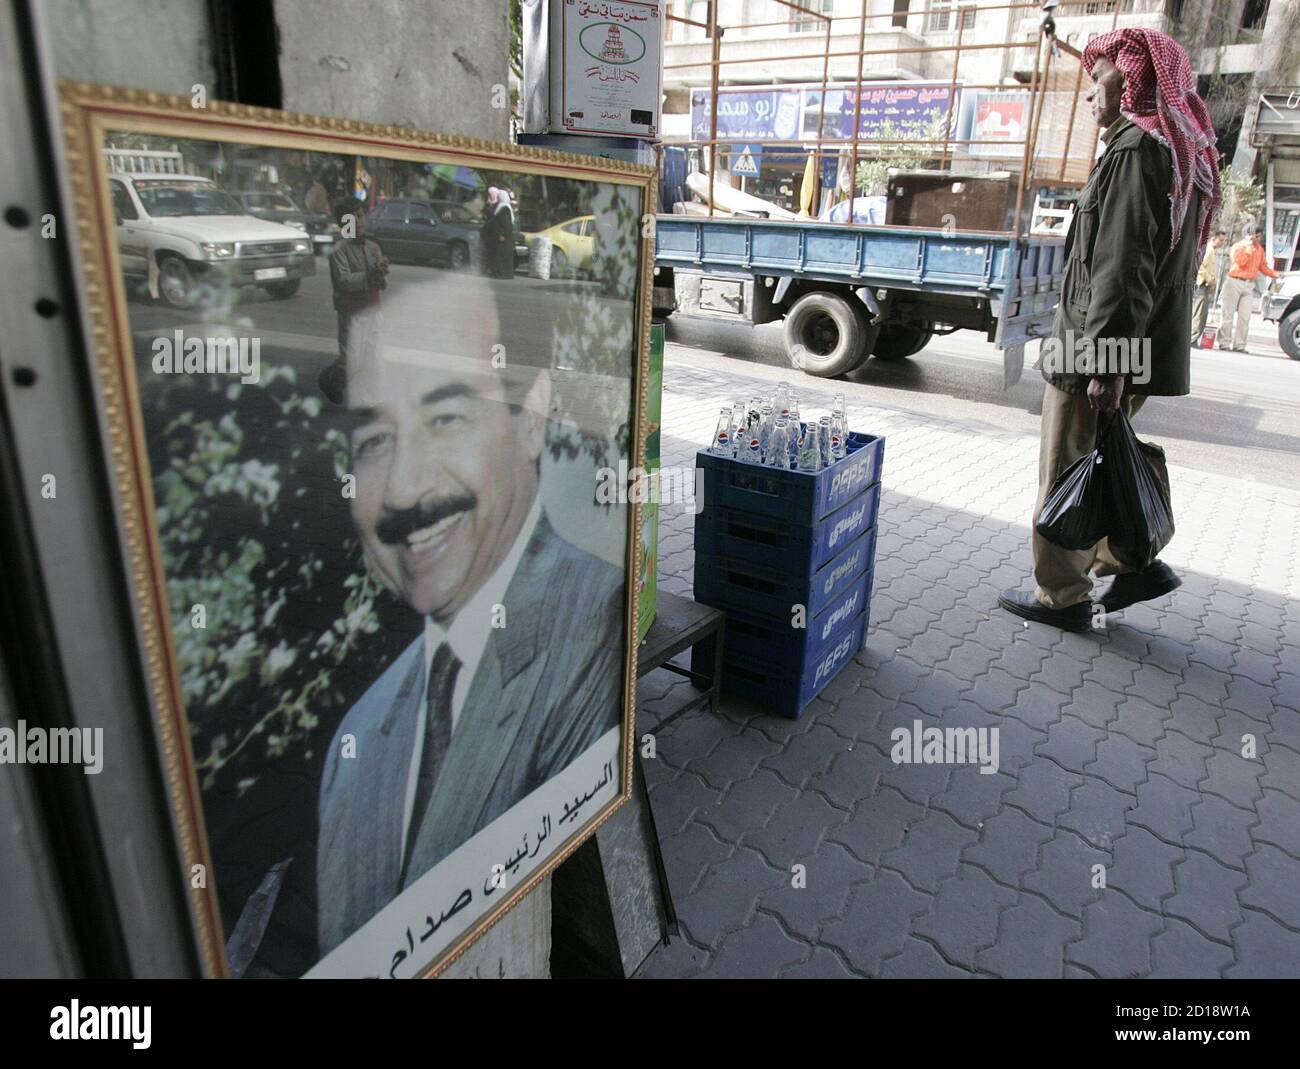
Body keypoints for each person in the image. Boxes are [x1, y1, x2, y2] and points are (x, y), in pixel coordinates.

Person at [315, 275, 624, 956]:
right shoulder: (357, 741)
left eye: (445, 417)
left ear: (532, 418)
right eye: (373, 441)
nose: (401, 488)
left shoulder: (598, 624)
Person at [998, 27, 1220, 631]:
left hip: (1100, 349)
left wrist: (1106, 366)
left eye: (1099, 83)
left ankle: (1064, 596)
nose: (1090, 97)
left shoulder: (1134, 150)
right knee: (1105, 460)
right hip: (1135, 346)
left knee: (1068, 466)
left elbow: (1122, 267)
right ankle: (1127, 558)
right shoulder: (1182, 151)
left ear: (1133, 83)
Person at [318, 196, 388, 405]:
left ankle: (369, 400)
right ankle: (329, 381)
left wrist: (381, 272)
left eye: (360, 216)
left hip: (373, 308)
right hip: (351, 310)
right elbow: (344, 281)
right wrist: (370, 274)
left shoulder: (373, 247)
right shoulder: (339, 249)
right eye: (352, 218)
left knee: (373, 357)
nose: (358, 221)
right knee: (351, 360)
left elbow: (379, 281)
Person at [1217, 223, 1278, 353]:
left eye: (1260, 236)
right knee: (1227, 314)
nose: (1259, 238)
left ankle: (1239, 345)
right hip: (1234, 281)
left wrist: (1275, 274)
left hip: (1249, 284)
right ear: (1249, 236)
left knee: (1245, 317)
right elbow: (1240, 262)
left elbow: (1263, 266)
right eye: (1257, 236)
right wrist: (1249, 248)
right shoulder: (1238, 247)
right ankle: (1224, 342)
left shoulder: (1260, 249)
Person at [1191, 230, 1226, 344]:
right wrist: (1209, 279)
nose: (1222, 243)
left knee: (1202, 313)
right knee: (1199, 314)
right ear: (1213, 239)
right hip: (1202, 284)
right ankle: (1192, 338)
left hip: (1206, 286)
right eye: (1221, 240)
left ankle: (1194, 338)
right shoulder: (1208, 250)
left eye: (1224, 241)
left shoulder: (1213, 252)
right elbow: (1200, 266)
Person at [481, 186, 515, 279]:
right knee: (499, 256)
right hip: (500, 237)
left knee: (502, 256)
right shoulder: (501, 207)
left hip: (503, 238)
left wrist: (502, 234)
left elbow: (505, 224)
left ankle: (503, 274)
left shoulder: (505, 208)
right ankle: (499, 273)